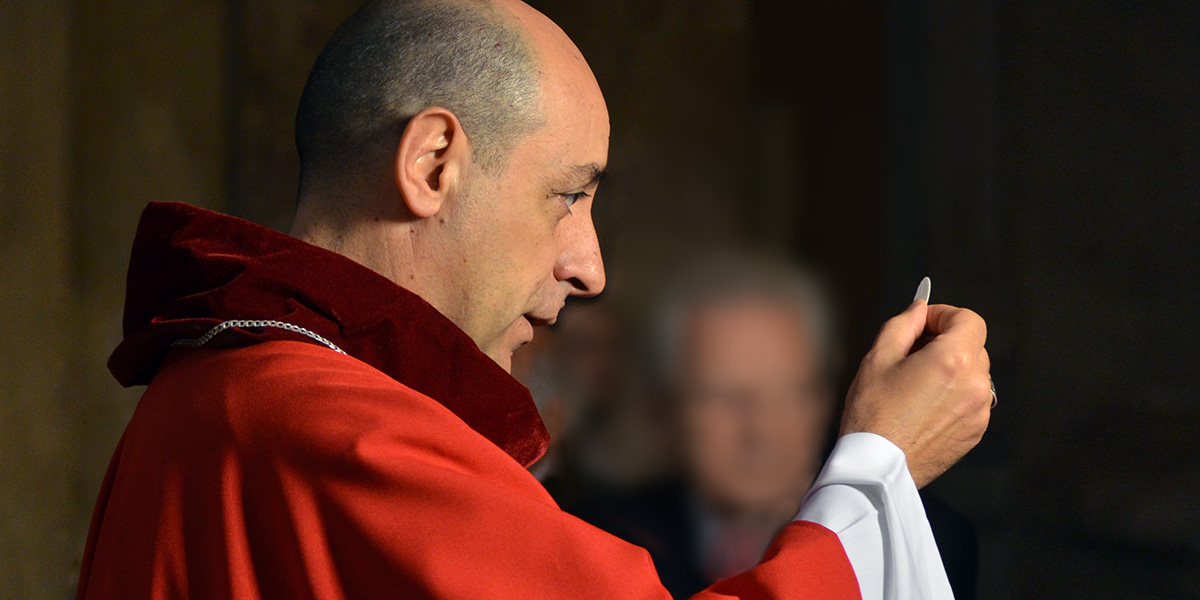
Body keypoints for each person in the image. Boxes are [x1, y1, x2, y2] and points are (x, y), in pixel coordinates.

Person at [76, 0, 994, 598]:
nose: (591, 268)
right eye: (569, 195)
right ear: (434, 163)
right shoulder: (331, 425)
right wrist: (879, 465)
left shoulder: (215, 385)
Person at [544, 256, 979, 599]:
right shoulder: (595, 541)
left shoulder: (928, 536)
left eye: (790, 391)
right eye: (726, 396)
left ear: (832, 390)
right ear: (668, 403)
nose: (761, 429)